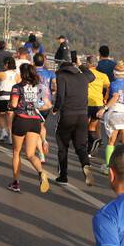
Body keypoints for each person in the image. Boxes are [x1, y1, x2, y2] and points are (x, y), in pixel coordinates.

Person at [6, 64, 52, 194]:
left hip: (21, 120)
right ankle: (41, 172)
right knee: (31, 154)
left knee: (16, 152)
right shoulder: (39, 87)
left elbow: (14, 104)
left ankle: (15, 183)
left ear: (22, 73)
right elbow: (48, 105)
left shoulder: (17, 87)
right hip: (35, 121)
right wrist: (34, 108)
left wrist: (10, 105)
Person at [51, 53, 94, 186]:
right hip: (82, 116)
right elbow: (92, 76)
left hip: (67, 115)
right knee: (81, 146)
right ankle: (85, 165)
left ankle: (63, 176)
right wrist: (80, 64)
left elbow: (60, 96)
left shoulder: (61, 76)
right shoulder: (83, 76)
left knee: (63, 146)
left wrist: (55, 109)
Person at [100, 61, 124, 167]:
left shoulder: (112, 85)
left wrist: (104, 108)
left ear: (114, 73)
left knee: (111, 141)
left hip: (115, 113)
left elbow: (110, 98)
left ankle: (108, 165)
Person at [84, 53, 110, 154]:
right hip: (98, 104)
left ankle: (87, 145)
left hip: (86, 103)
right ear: (96, 64)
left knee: (84, 126)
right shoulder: (103, 76)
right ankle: (92, 147)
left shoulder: (84, 74)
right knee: (92, 127)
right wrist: (106, 98)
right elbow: (108, 87)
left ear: (87, 63)